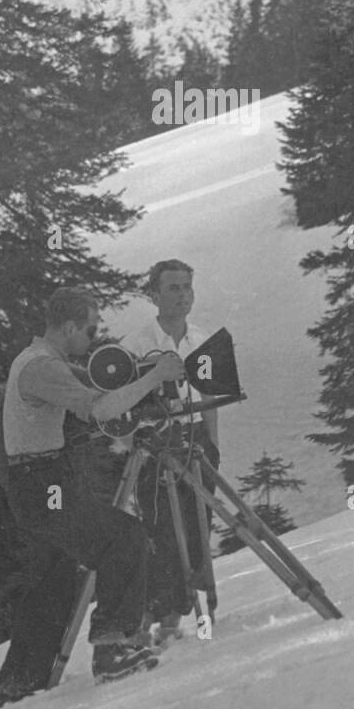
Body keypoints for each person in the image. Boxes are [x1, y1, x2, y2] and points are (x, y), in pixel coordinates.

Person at [0, 286, 183, 709]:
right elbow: (100, 408)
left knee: (51, 580)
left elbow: (88, 399)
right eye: (90, 330)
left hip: (38, 480)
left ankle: (18, 686)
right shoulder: (43, 366)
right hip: (44, 484)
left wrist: (137, 380)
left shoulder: (36, 360)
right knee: (123, 537)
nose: (93, 339)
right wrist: (155, 377)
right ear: (70, 326)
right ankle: (113, 651)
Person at [120, 260, 220, 647]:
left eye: (187, 287)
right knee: (161, 531)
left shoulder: (202, 339)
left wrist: (213, 445)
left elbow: (210, 396)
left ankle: (181, 612)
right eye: (174, 288)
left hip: (198, 440)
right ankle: (155, 615)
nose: (183, 295)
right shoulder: (137, 343)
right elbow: (125, 404)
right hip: (156, 444)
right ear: (155, 295)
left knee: (198, 528)